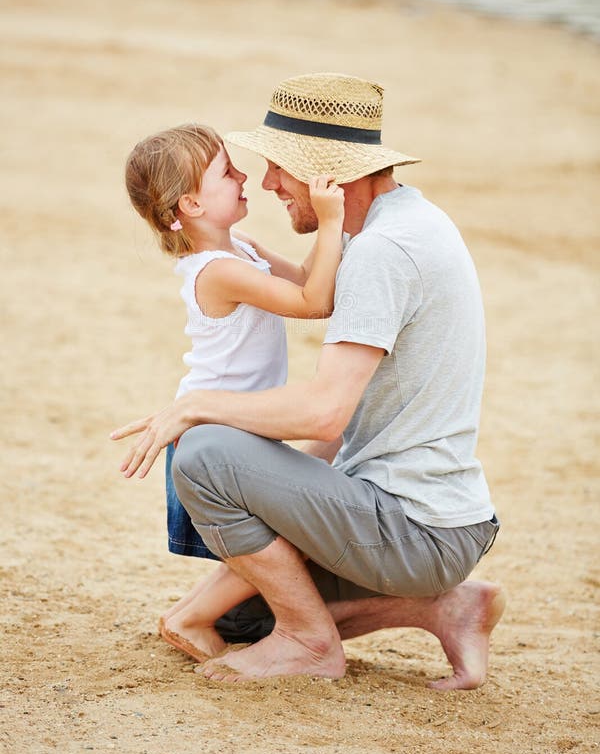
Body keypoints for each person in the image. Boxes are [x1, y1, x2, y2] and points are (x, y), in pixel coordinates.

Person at [112, 73, 505, 690]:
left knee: (204, 452)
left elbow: (325, 415)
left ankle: (307, 643)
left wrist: (194, 409)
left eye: (278, 167)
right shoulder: (407, 220)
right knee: (243, 614)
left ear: (330, 176)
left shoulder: (381, 252)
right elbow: (343, 414)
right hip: (431, 519)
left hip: (417, 527)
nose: (264, 182)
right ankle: (445, 605)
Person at [122, 122, 344, 662]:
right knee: (268, 541)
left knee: (263, 544)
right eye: (227, 171)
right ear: (191, 204)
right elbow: (314, 303)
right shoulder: (218, 270)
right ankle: (190, 618)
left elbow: (308, 278)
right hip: (213, 434)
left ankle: (211, 618)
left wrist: (330, 223)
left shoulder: (241, 248)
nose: (244, 175)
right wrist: (334, 220)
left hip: (240, 428)